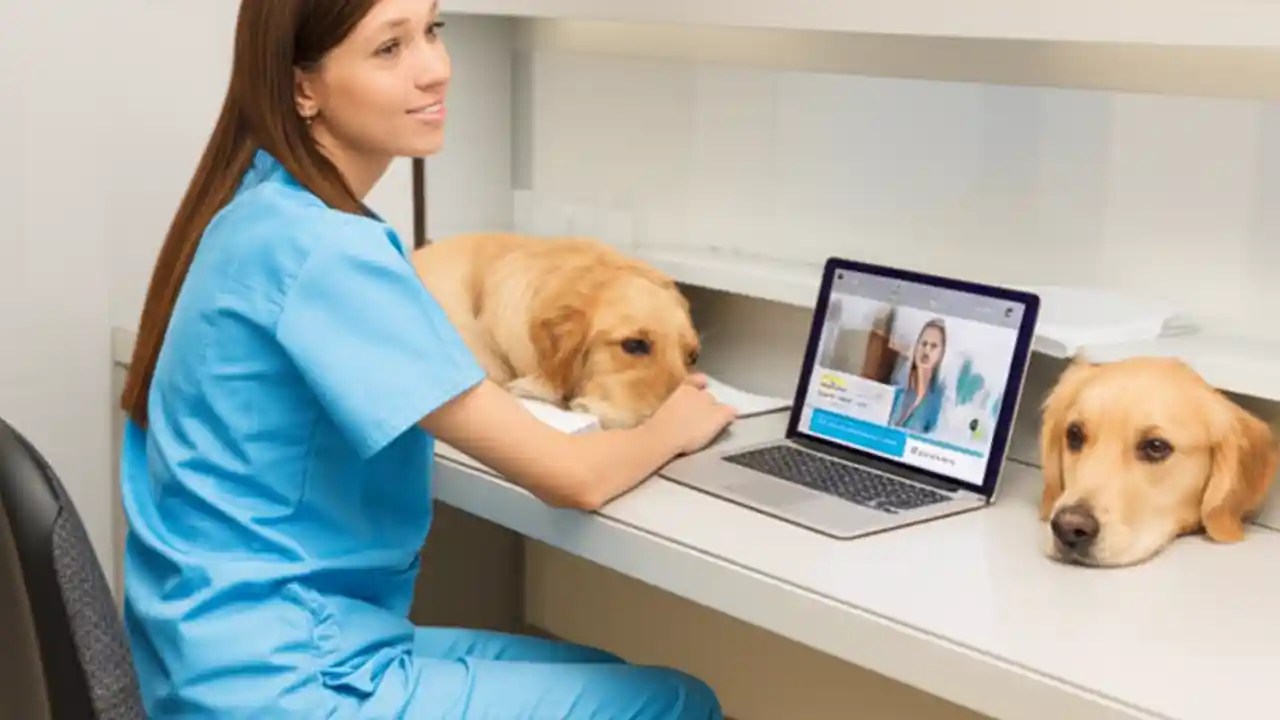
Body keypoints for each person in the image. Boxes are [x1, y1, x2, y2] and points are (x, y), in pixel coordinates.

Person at [116, 1, 736, 717]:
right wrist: (677, 422)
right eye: (389, 49)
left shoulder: (258, 207)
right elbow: (572, 479)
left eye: (432, 31)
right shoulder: (328, 251)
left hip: (217, 650)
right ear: (302, 88)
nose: (435, 68)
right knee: (672, 704)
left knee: (603, 672)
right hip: (284, 681)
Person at [888, 318, 947, 434]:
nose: (926, 350)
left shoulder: (938, 398)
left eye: (933, 346)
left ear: (941, 354)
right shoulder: (899, 386)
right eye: (923, 343)